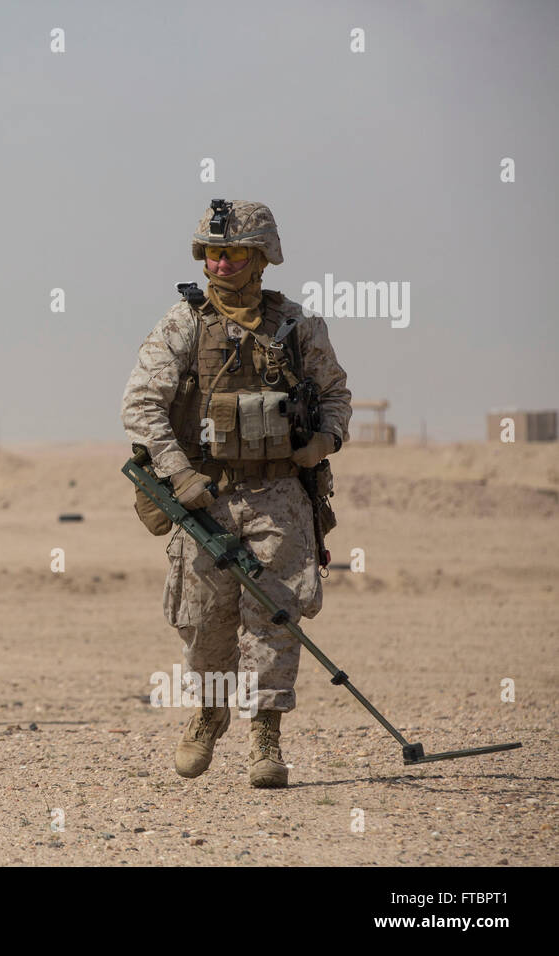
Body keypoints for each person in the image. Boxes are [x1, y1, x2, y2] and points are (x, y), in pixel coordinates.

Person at [120, 200, 352, 788]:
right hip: (206, 497)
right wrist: (179, 474)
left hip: (279, 494)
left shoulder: (298, 327)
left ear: (262, 259)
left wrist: (322, 442)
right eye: (214, 253)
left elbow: (336, 395)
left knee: (276, 614)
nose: (221, 265)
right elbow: (140, 406)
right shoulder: (182, 323)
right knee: (202, 620)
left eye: (235, 254)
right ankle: (208, 712)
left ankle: (266, 734)